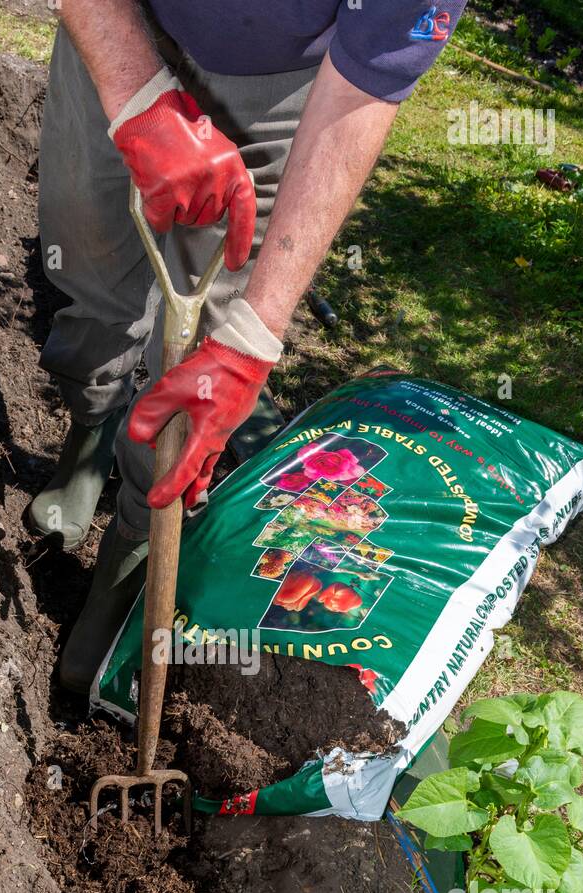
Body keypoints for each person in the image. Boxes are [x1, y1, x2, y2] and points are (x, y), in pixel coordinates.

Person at [33, 1, 466, 692]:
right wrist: (138, 95)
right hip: (121, 19)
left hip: (282, 80)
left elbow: (367, 80)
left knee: (208, 349)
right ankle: (88, 423)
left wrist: (253, 338)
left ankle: (133, 546)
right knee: (87, 262)